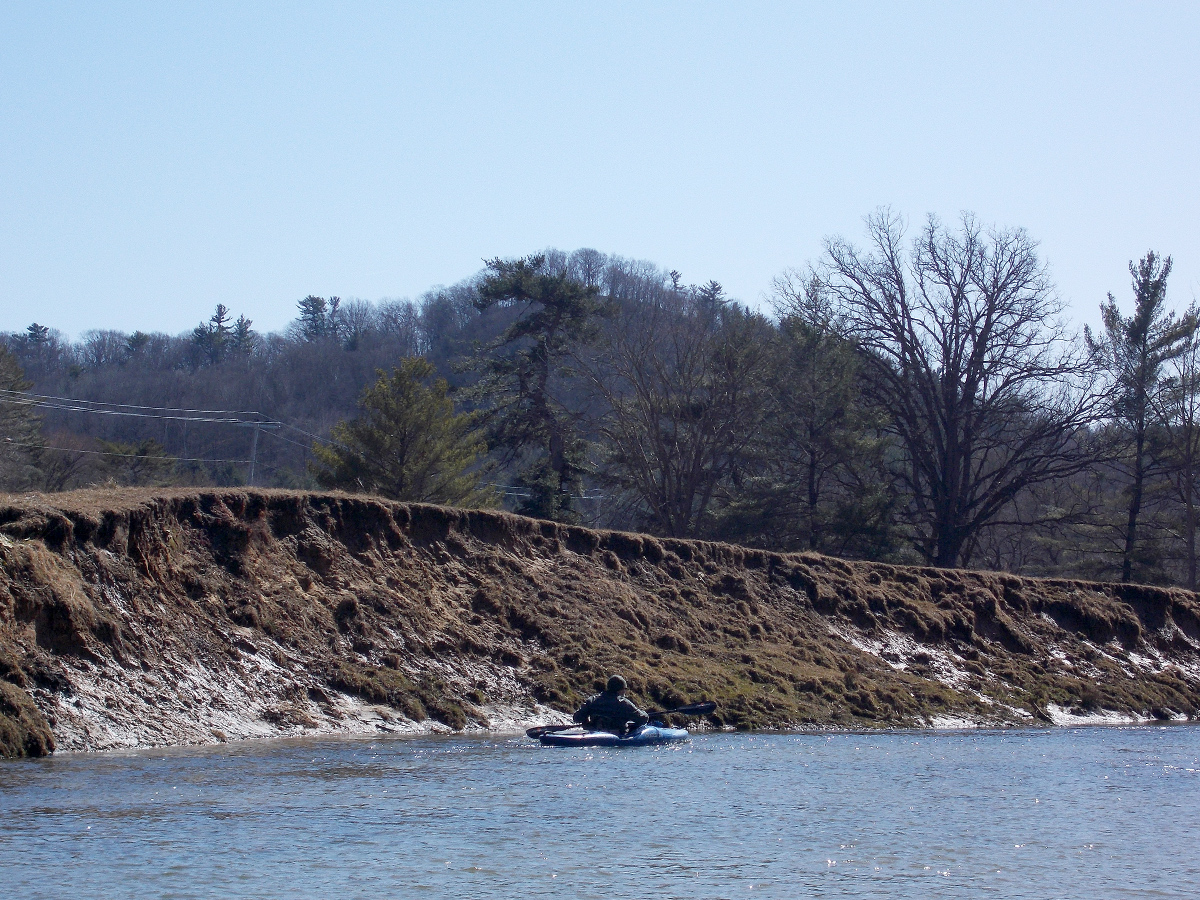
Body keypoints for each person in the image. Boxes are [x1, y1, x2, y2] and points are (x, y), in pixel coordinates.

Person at [573, 675, 649, 735]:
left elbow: (577, 718)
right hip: (616, 736)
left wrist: (587, 721)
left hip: (594, 734)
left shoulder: (592, 700)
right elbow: (642, 719)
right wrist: (644, 713)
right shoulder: (623, 703)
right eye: (624, 690)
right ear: (620, 690)